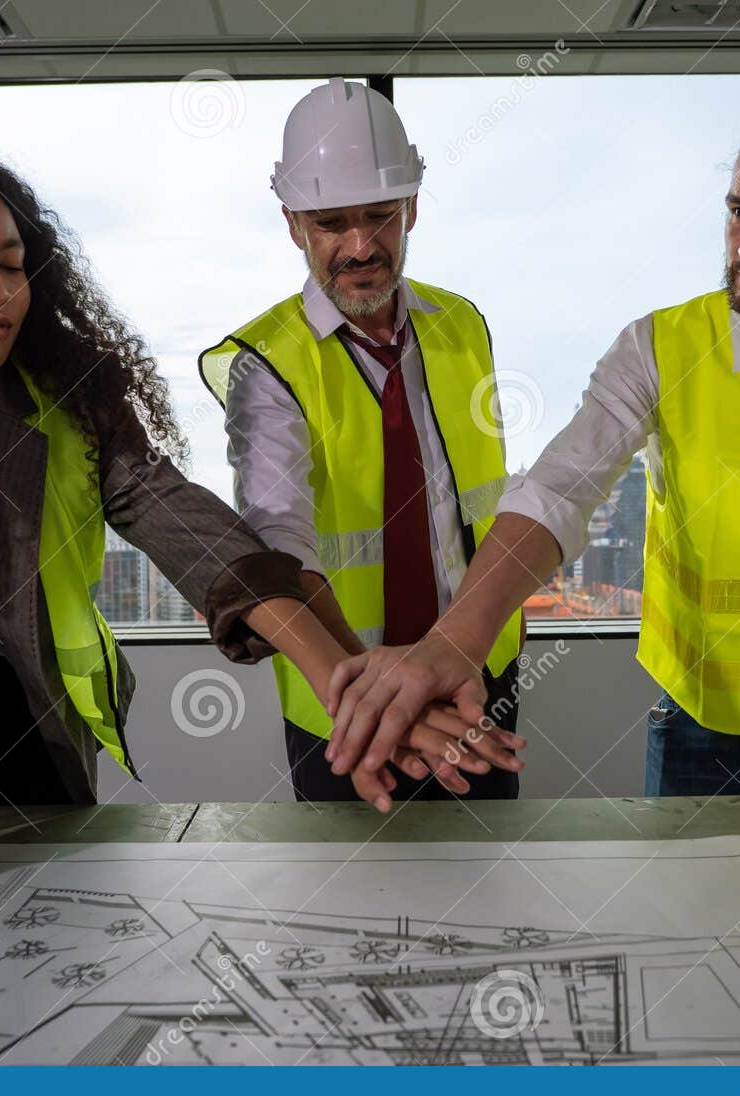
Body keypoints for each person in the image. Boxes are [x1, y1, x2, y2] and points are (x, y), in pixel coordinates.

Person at [0, 134, 520, 1018]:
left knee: (39, 979)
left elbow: (193, 532)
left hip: (42, 730)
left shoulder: (67, 400)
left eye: (11, 264)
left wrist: (343, 682)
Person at [324, 84, 740, 895]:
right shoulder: (661, 345)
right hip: (699, 730)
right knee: (695, 934)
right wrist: (455, 641)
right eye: (739, 210)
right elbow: (558, 490)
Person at [200, 79, 527, 806]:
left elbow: (483, 496)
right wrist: (373, 692)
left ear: (412, 207)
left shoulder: (461, 325)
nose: (361, 247)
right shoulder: (268, 362)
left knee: (489, 869)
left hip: (478, 676)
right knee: (349, 880)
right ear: (293, 225)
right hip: (345, 699)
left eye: (381, 216)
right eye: (330, 224)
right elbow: (280, 543)